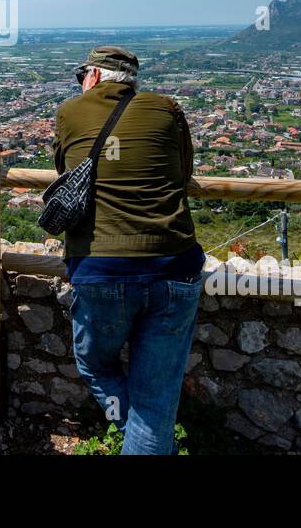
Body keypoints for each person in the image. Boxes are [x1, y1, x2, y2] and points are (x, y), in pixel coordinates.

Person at [53, 45, 204, 454]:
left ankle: (135, 430)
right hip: (175, 264)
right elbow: (184, 172)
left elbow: (66, 176)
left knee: (95, 364)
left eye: (81, 74)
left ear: (95, 76)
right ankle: (145, 433)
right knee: (156, 400)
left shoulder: (69, 112)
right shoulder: (167, 108)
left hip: (100, 268)